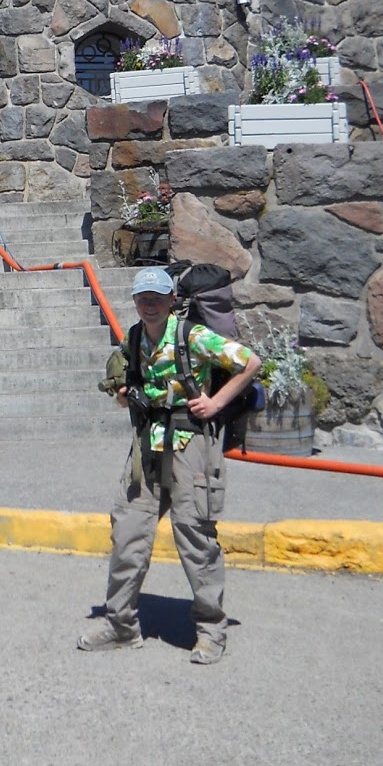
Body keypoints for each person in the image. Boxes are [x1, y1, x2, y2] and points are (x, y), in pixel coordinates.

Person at [78, 266, 261, 664]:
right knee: (127, 531)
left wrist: (216, 403)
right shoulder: (135, 337)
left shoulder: (191, 335)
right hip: (147, 446)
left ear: (171, 300)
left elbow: (249, 362)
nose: (148, 304)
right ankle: (121, 625)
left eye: (156, 297)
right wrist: (126, 395)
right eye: (142, 298)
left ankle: (211, 630)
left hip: (190, 442)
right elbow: (125, 388)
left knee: (195, 535)